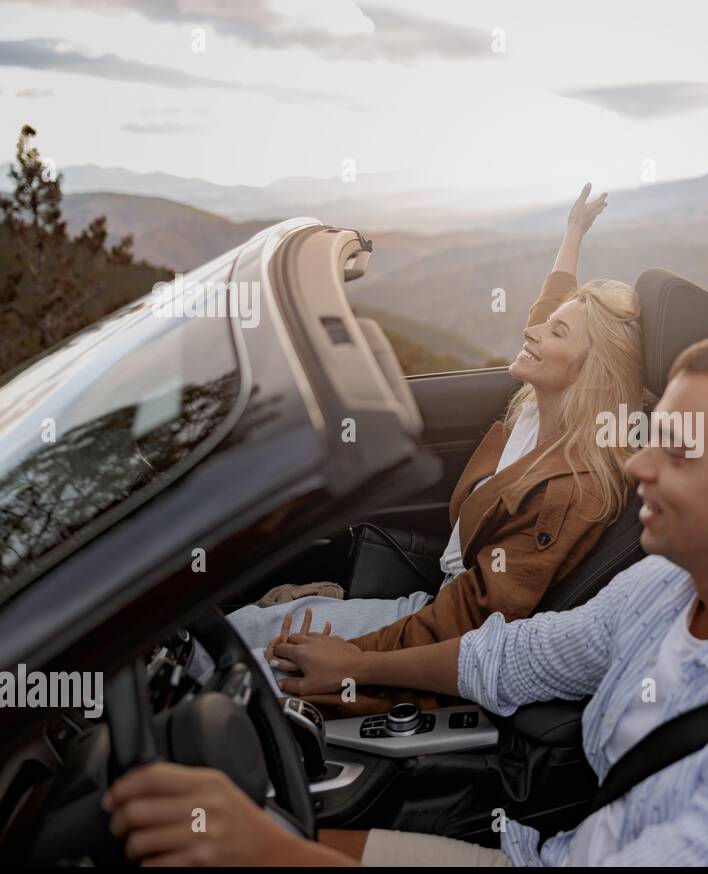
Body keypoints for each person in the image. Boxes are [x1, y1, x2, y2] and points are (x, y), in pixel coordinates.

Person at [105, 333, 708, 866]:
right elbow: (519, 654)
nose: (637, 465)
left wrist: (264, 853)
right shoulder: (676, 583)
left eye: (676, 449)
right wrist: (356, 666)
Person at [211, 184, 644, 716]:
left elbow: (469, 627)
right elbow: (552, 301)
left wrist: (351, 658)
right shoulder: (536, 405)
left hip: (433, 632)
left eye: (554, 334)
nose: (530, 331)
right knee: (233, 631)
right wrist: (573, 233)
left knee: (234, 674)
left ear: (586, 374)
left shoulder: (571, 489)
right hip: (433, 603)